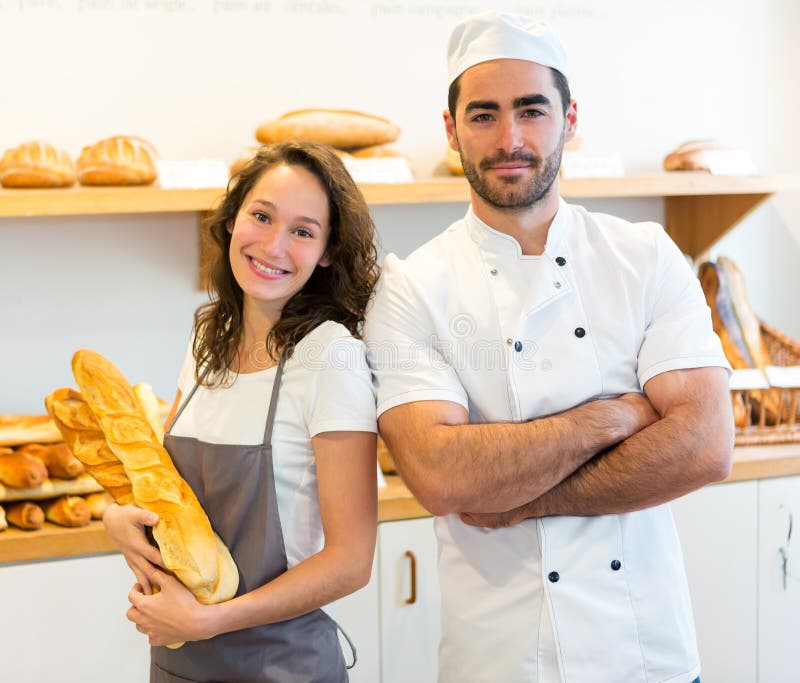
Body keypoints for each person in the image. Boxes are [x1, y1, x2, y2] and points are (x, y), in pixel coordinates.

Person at [363, 11, 734, 683]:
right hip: (499, 659)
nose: (509, 139)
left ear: (570, 120)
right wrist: (612, 418)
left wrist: (523, 500)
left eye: (532, 110)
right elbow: (442, 475)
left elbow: (707, 444)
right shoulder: (412, 286)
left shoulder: (644, 256)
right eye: (483, 115)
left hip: (645, 652)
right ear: (451, 130)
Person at [104, 141, 380, 682]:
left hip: (281, 667)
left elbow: (351, 562)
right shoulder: (208, 337)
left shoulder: (330, 356)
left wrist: (210, 620)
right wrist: (119, 518)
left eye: (303, 231)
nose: (273, 245)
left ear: (327, 251)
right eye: (262, 216)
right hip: (178, 660)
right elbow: (166, 490)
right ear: (232, 221)